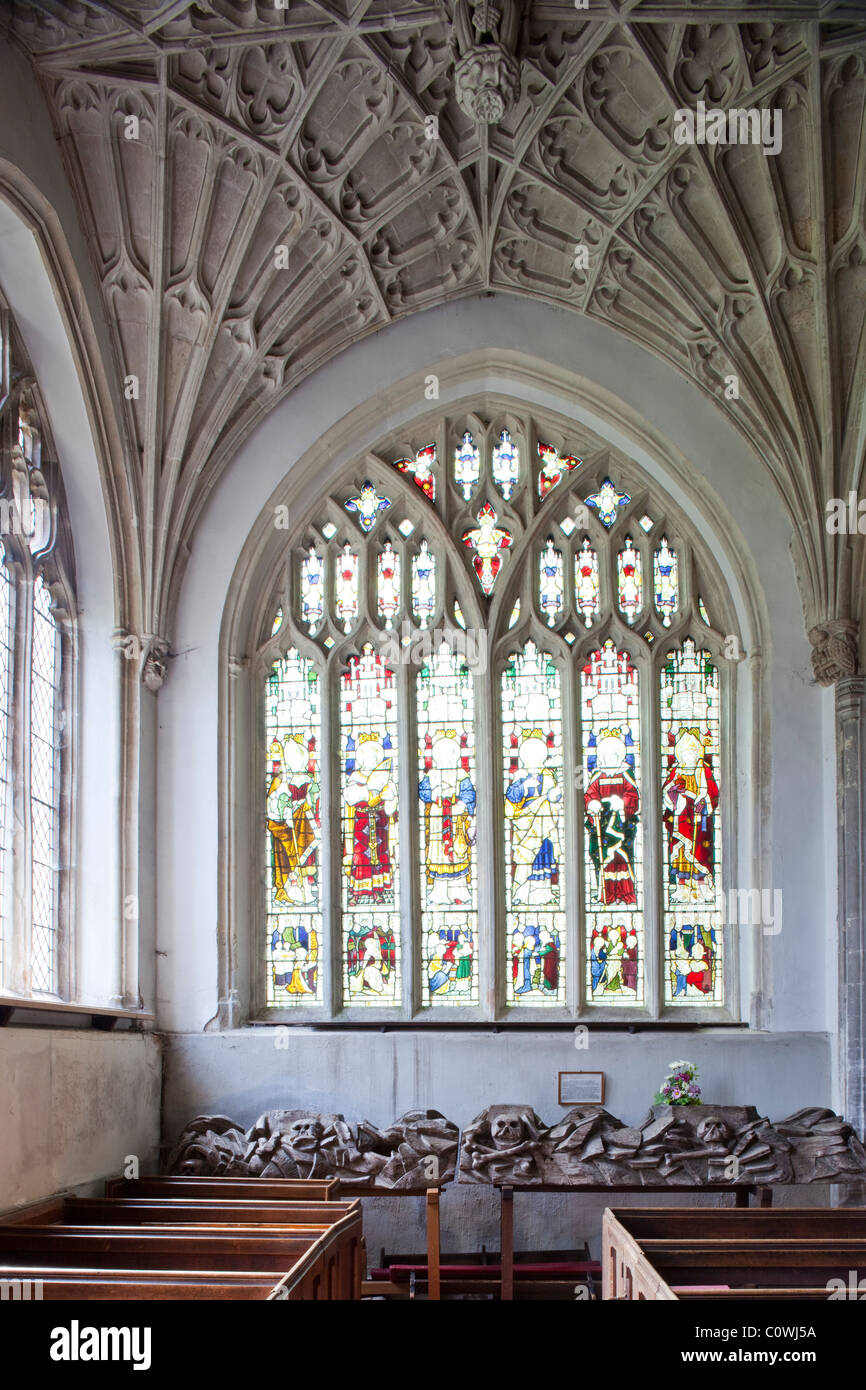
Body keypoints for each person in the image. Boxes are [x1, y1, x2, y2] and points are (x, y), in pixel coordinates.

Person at [662, 727, 719, 905]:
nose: (689, 756)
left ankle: (702, 887)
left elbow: (713, 793)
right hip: (680, 821)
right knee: (680, 854)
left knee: (700, 853)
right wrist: (673, 793)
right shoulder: (676, 772)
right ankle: (682, 887)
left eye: (693, 753)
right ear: (680, 754)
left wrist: (703, 802)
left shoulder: (704, 772)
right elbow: (666, 795)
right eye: (686, 753)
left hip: (699, 820)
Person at [505, 732, 561, 906]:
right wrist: (523, 786)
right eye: (531, 756)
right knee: (524, 858)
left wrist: (553, 796)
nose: (534, 759)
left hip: (544, 825)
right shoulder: (519, 777)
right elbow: (511, 797)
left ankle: (543, 893)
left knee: (542, 858)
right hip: (525, 824)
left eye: (538, 756)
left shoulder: (548, 776)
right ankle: (521, 893)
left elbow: (554, 798)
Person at [584, 729, 639, 906]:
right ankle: (606, 894)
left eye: (614, 756)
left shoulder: (625, 776)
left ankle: (625, 893)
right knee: (602, 857)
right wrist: (592, 804)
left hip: (621, 827)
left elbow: (633, 797)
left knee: (622, 858)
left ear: (620, 757)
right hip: (601, 825)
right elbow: (589, 795)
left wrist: (622, 803)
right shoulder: (598, 777)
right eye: (607, 756)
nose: (611, 760)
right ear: (602, 758)